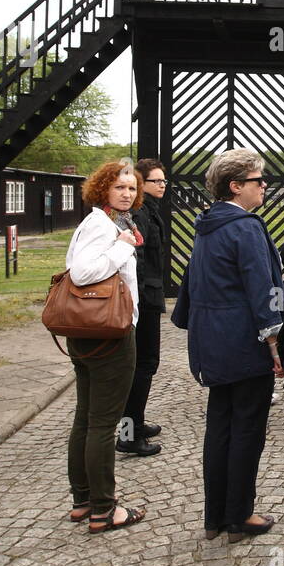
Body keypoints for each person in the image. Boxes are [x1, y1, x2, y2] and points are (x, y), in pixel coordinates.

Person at [181, 149, 283, 543]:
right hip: (243, 343)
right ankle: (240, 515)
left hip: (212, 342)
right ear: (236, 185)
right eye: (259, 180)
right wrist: (274, 342)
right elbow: (264, 290)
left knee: (220, 428)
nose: (264, 187)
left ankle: (215, 517)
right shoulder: (245, 227)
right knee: (247, 430)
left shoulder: (207, 224)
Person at [64, 161, 146, 533]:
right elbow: (82, 273)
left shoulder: (105, 222)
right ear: (102, 190)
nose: (127, 193)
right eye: (119, 187)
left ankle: (82, 499)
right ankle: (104, 508)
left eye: (131, 188)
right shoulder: (103, 225)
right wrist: (123, 248)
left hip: (87, 330)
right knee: (102, 423)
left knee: (85, 417)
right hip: (108, 332)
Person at [115, 158, 167, 458]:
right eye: (156, 181)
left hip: (148, 295)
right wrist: (143, 299)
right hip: (143, 299)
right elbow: (139, 259)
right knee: (142, 365)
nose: (162, 185)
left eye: (163, 181)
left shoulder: (147, 211)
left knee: (144, 365)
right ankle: (128, 434)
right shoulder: (139, 214)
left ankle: (136, 422)